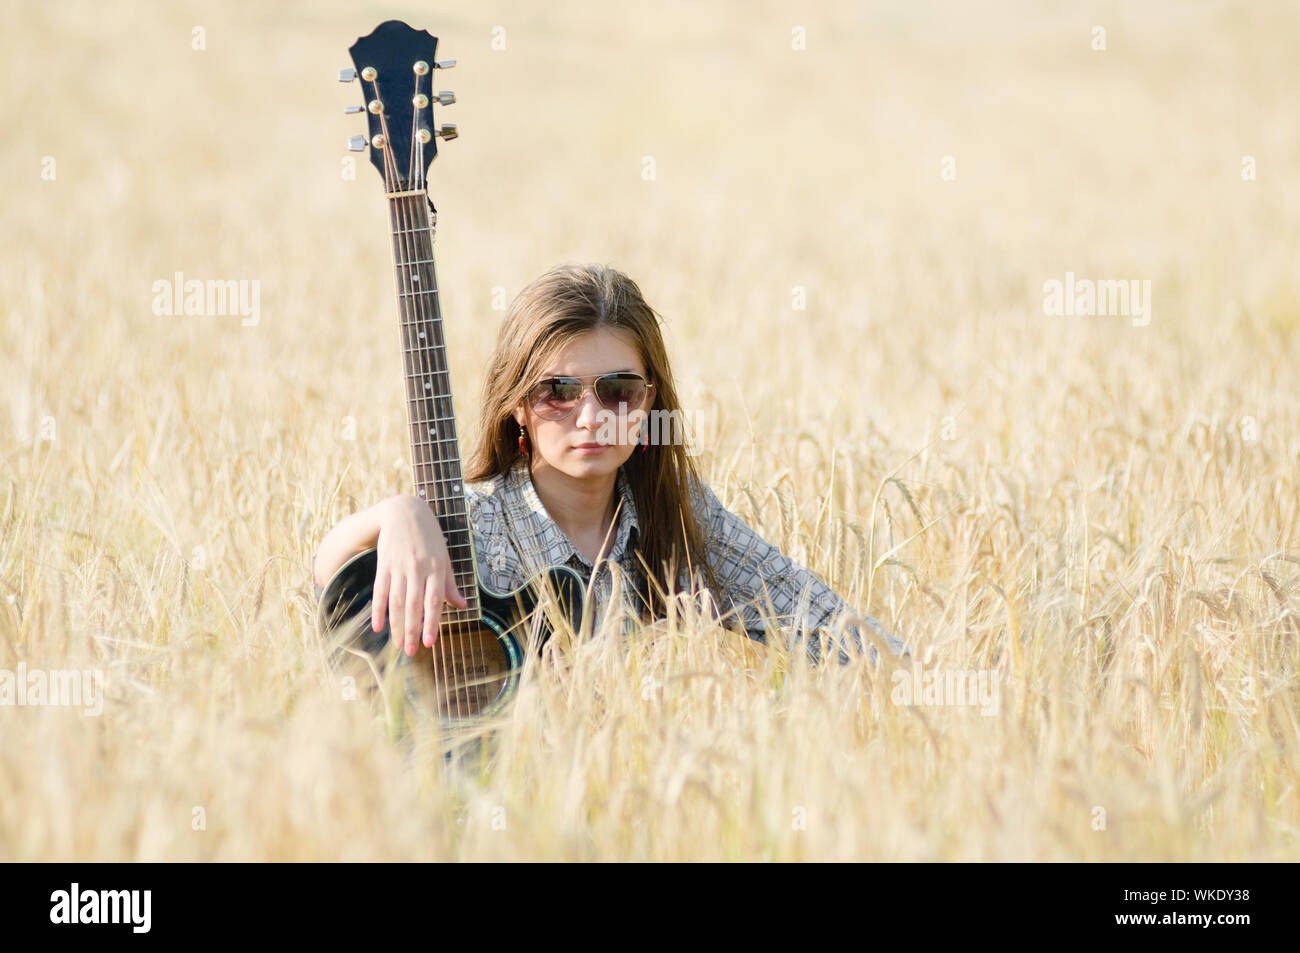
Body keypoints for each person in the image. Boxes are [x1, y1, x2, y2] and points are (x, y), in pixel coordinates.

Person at [312, 263, 905, 667]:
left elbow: (831, 628)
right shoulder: (468, 526)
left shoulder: (676, 515)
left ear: (649, 401)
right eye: (558, 390)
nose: (590, 415)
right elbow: (333, 584)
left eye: (618, 389)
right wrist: (400, 511)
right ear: (517, 406)